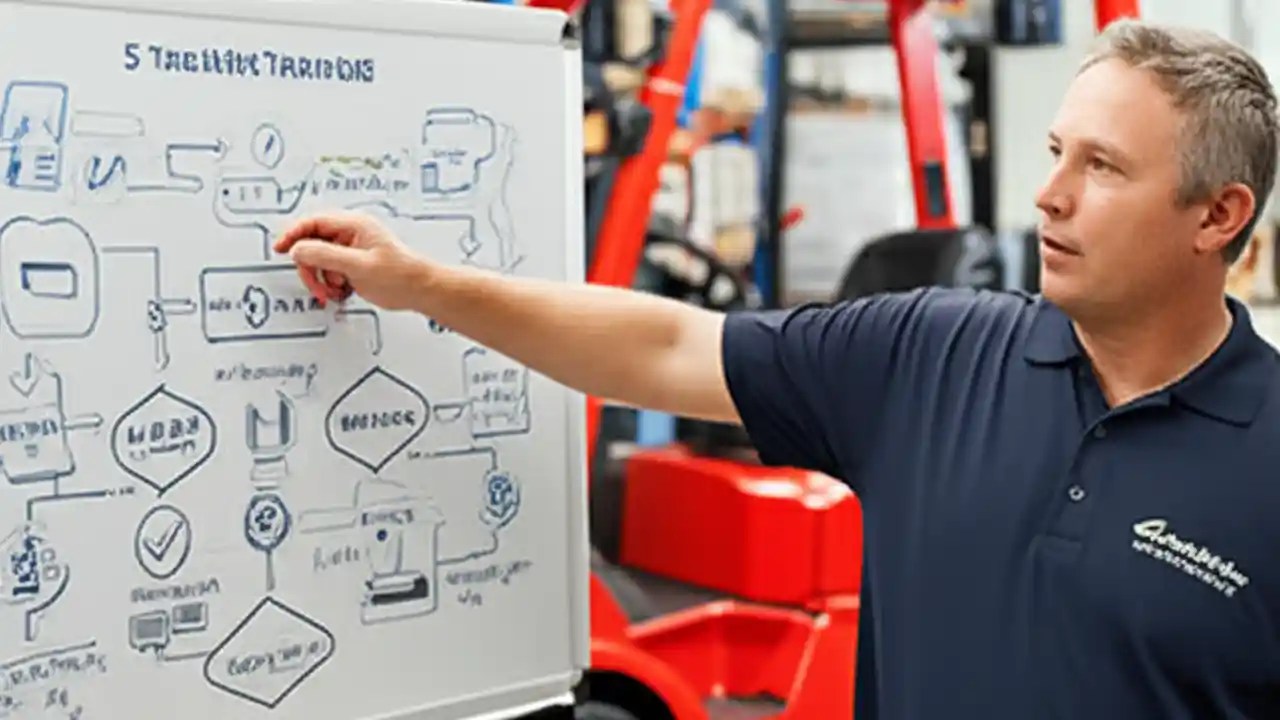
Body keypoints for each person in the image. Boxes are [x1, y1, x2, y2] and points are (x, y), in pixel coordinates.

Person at [274, 19, 1280, 720]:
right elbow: (665, 346)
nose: (1046, 195)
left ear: (1216, 216)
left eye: (1099, 167)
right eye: (1055, 151)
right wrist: (422, 286)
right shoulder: (927, 355)